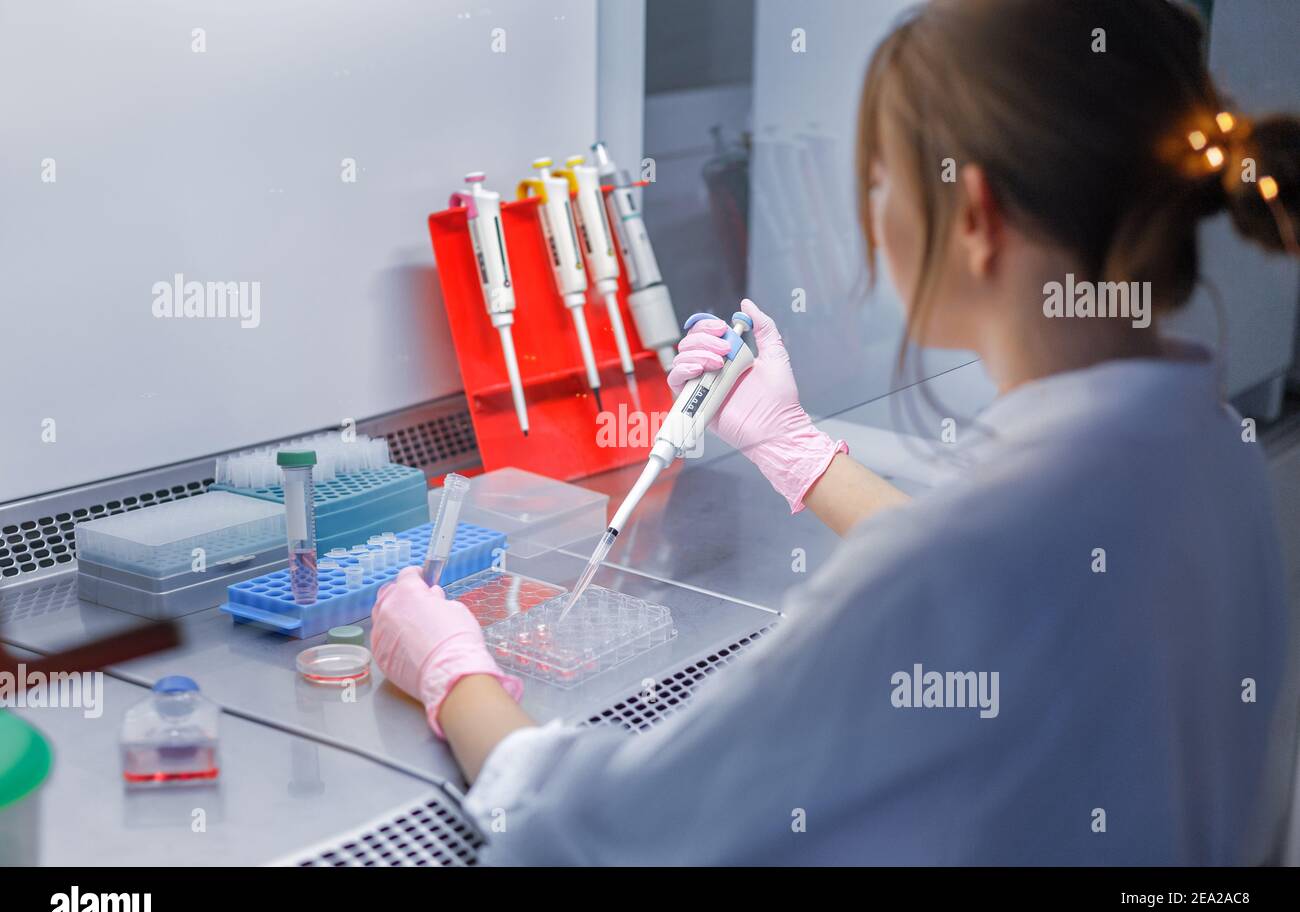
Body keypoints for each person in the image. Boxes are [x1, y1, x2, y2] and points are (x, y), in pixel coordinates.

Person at [371, 0, 1300, 864]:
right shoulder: (1211, 447)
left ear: (972, 216)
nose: (871, 220)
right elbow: (1004, 572)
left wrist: (454, 675)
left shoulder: (963, 573)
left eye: (881, 183)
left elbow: (599, 838)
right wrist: (795, 449)